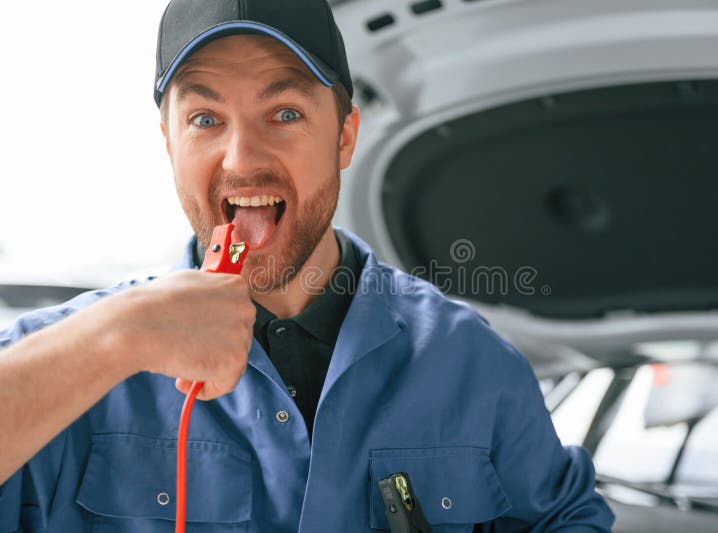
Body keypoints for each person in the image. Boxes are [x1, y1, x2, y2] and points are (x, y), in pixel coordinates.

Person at [0, 0, 615, 530]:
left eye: (286, 114)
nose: (242, 159)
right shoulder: (59, 360)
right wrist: (118, 337)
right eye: (205, 119)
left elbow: (566, 518)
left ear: (344, 136)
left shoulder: (472, 362)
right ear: (168, 141)